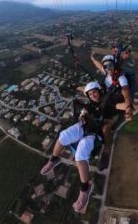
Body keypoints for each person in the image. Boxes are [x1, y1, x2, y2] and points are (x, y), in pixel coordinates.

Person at [40, 81, 106, 212]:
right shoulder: (87, 104)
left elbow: (120, 106)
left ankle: (85, 189)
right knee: (64, 135)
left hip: (94, 132)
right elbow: (83, 90)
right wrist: (73, 86)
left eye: (95, 92)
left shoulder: (105, 103)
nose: (93, 95)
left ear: (100, 92)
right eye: (90, 94)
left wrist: (134, 107)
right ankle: (54, 159)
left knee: (80, 153)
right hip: (82, 125)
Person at [90, 52, 138, 170]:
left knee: (106, 127)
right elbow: (99, 66)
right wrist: (93, 59)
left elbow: (126, 92)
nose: (108, 70)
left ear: (115, 66)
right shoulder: (107, 72)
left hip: (115, 102)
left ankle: (106, 151)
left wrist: (129, 107)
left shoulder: (121, 78)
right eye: (106, 67)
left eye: (110, 67)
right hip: (107, 99)